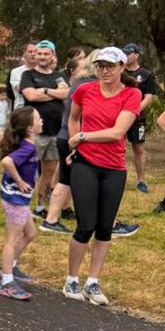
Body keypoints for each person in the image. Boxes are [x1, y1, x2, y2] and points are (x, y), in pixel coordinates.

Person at [62, 47, 142, 305]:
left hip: (114, 168)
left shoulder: (132, 94)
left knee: (105, 228)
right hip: (85, 163)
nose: (104, 71)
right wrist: (75, 145)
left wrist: (82, 137)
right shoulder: (84, 90)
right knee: (86, 225)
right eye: (100, 66)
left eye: (110, 66)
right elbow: (74, 118)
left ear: (121, 67)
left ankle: (93, 282)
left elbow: (118, 132)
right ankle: (71, 278)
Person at [39, 50, 92, 234]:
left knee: (64, 180)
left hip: (64, 135)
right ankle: (102, 221)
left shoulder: (78, 84)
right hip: (73, 136)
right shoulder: (89, 86)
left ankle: (51, 219)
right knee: (81, 180)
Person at [0, 106, 42, 300]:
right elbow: (7, 162)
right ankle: (6, 281)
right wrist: (20, 181)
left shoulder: (27, 144)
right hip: (15, 199)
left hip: (20, 199)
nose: (42, 121)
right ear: (30, 128)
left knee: (31, 233)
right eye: (38, 119)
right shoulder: (27, 147)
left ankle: (11, 266)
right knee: (12, 239)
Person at [18, 41, 68, 214]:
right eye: (39, 54)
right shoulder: (28, 75)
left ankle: (40, 206)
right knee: (27, 168)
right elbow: (30, 95)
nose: (42, 57)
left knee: (49, 170)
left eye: (46, 54)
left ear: (53, 56)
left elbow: (67, 94)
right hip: (34, 131)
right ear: (35, 55)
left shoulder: (59, 76)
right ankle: (20, 204)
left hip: (56, 130)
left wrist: (45, 91)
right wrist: (55, 93)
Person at [122, 44, 158, 193]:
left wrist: (134, 111)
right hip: (119, 117)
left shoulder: (146, 74)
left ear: (136, 55)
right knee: (118, 148)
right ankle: (118, 179)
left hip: (137, 118)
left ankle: (141, 180)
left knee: (139, 148)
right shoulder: (119, 72)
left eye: (129, 53)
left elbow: (148, 97)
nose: (126, 56)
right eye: (124, 53)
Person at [7, 40, 38, 109]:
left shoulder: (44, 71)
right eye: (30, 52)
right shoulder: (16, 72)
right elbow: (27, 92)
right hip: (21, 111)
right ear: (24, 54)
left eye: (35, 51)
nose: (33, 54)